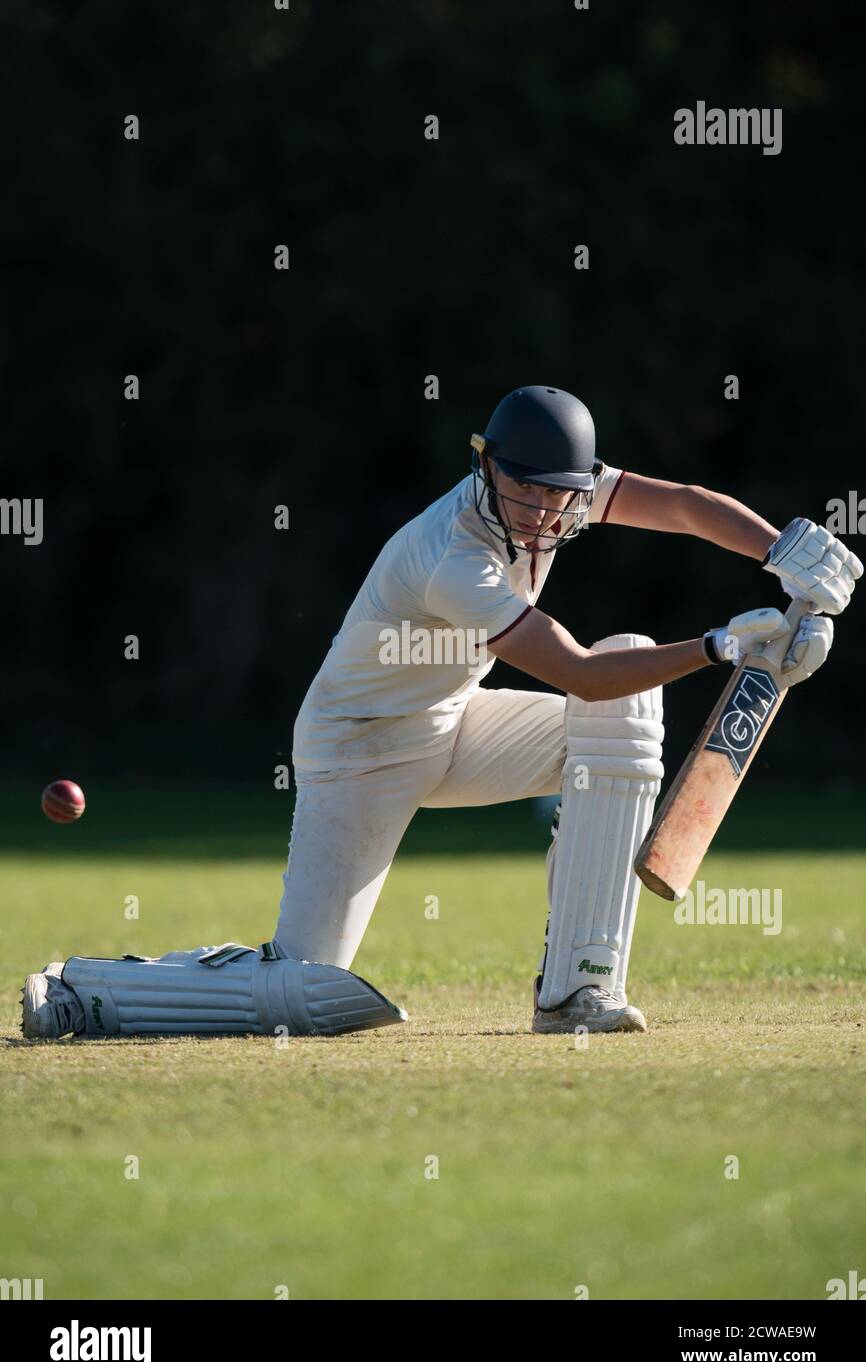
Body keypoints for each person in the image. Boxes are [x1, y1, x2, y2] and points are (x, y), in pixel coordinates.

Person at [22, 386, 860, 1041]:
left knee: (631, 706)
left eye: (556, 496)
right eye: (520, 489)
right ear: (485, 465)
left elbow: (681, 504)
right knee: (303, 989)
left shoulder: (566, 492)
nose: (538, 513)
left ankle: (577, 991)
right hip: (358, 752)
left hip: (455, 724)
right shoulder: (454, 555)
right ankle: (81, 990)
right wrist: (720, 647)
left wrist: (784, 551)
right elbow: (576, 672)